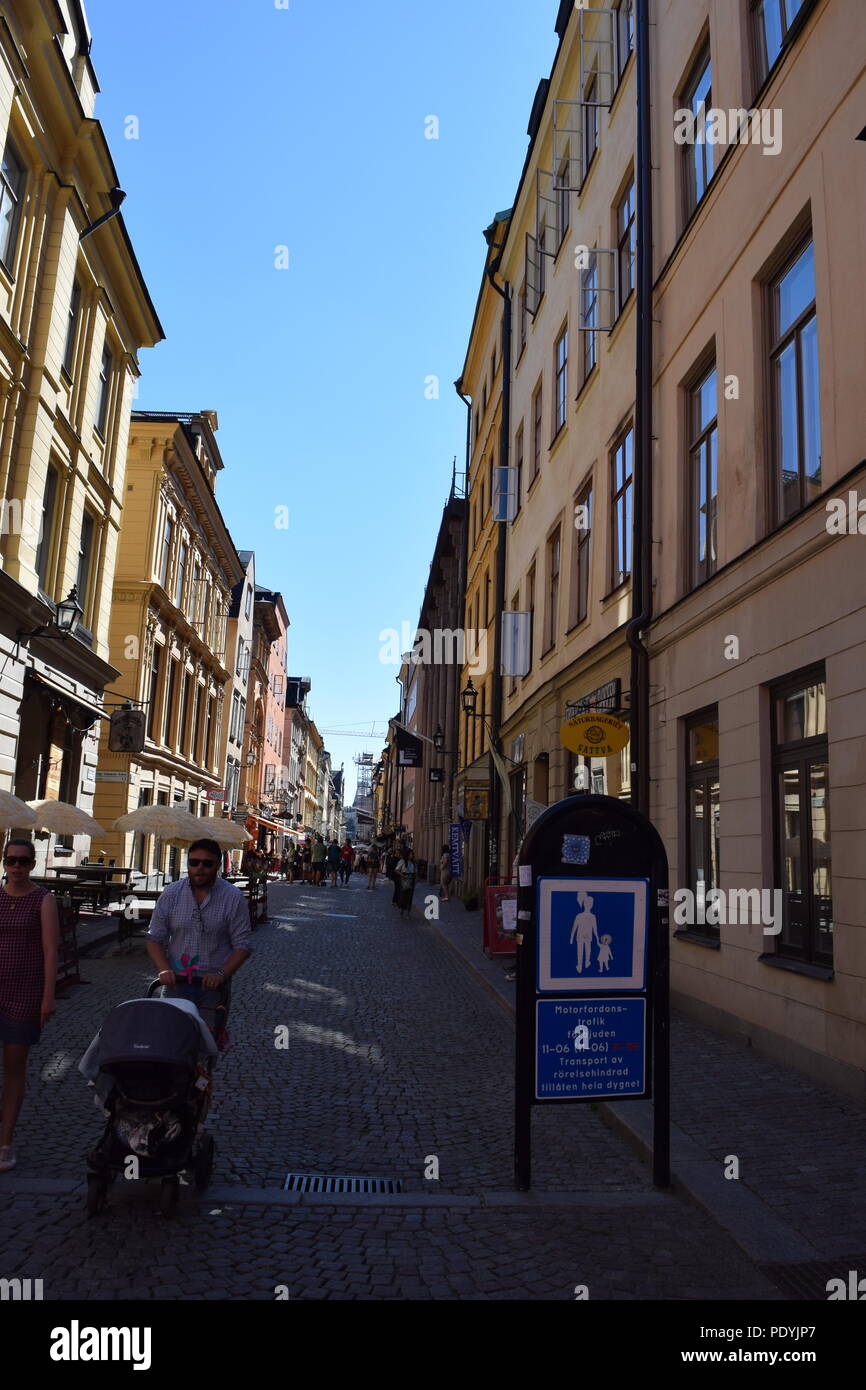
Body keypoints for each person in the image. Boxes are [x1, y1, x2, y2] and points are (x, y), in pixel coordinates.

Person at [146, 838, 252, 1047]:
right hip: (176, 982)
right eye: (194, 862)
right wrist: (163, 969)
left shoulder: (232, 897)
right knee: (169, 1044)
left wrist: (221, 974)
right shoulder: (171, 894)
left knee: (206, 1046)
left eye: (207, 863)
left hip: (212, 986)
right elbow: (154, 938)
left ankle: (202, 1078)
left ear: (218, 865)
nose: (199, 868)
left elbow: (243, 945)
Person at [0, 838, 59, 1172]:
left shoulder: (43, 900)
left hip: (24, 993)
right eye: (11, 861)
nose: (17, 867)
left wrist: (47, 996)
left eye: (23, 861)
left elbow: (51, 950)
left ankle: (5, 1142)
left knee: (14, 1069)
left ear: (32, 864)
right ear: (4, 863)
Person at [394, 850, 417, 919]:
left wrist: (415, 880)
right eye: (411, 854)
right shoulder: (402, 861)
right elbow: (396, 870)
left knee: (410, 897)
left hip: (411, 879)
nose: (412, 856)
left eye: (412, 854)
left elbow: (415, 872)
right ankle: (402, 909)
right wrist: (403, 876)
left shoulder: (414, 863)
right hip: (404, 880)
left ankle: (408, 912)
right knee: (403, 896)